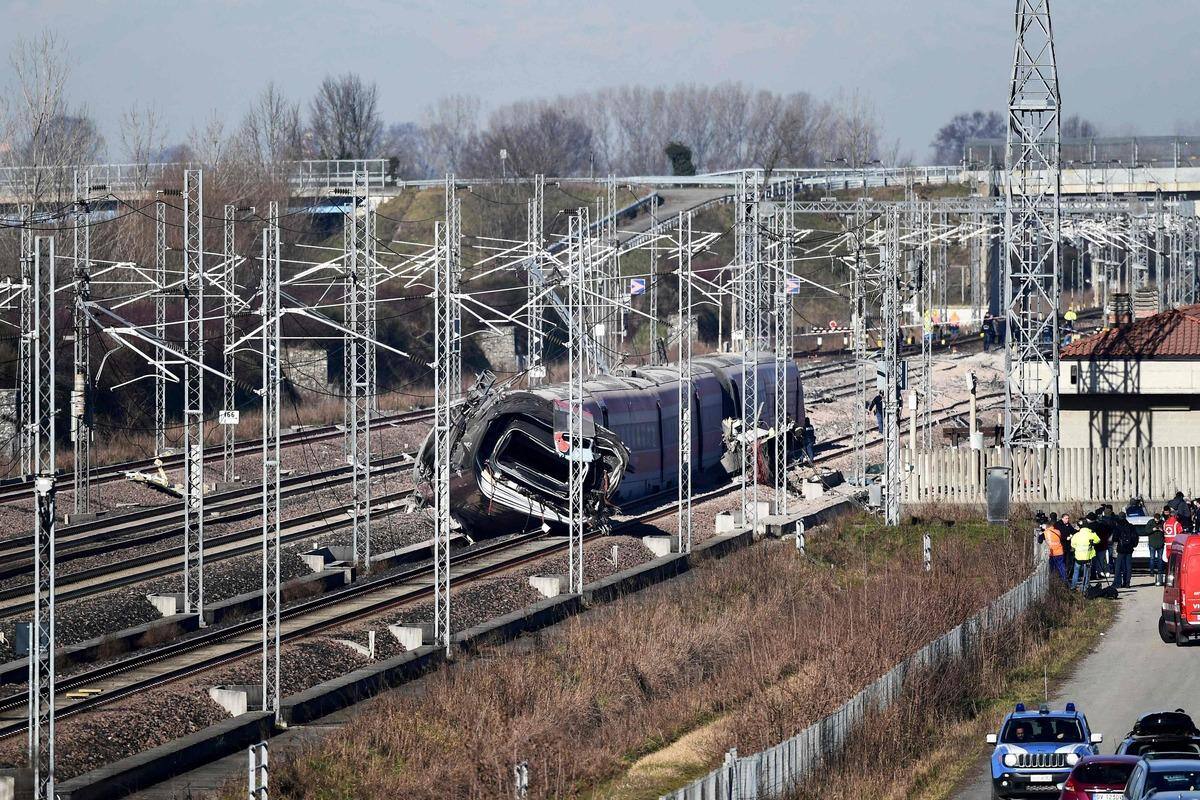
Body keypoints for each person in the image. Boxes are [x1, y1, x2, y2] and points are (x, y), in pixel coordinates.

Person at [1070, 516, 1101, 593]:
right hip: (1088, 556)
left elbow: (1073, 545)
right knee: (1087, 573)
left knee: (1076, 572)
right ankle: (1085, 587)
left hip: (1078, 557)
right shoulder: (1091, 533)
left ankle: (1073, 586)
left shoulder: (1077, 535)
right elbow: (1098, 540)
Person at [1112, 512, 1138, 589]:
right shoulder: (1131, 526)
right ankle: (1127, 583)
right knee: (1128, 566)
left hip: (1121, 549)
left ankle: (1117, 583)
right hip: (1129, 549)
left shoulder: (1118, 527)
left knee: (1118, 566)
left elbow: (1114, 539)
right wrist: (1133, 545)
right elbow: (1135, 537)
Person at [1041, 515, 1068, 582]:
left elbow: (1039, 540)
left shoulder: (1045, 533)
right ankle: (1064, 579)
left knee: (1052, 568)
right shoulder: (1058, 531)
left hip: (1052, 552)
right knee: (1061, 567)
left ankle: (1053, 581)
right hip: (1059, 551)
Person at [1146, 514, 1166, 586]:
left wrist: (1162, 530)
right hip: (1152, 544)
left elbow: (1166, 531)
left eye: (1158, 519)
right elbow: (1146, 531)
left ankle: (1160, 572)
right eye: (1156, 519)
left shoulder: (1163, 522)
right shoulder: (1150, 522)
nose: (1157, 521)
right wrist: (1152, 529)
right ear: (1154, 518)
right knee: (1152, 558)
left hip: (1160, 544)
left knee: (1160, 559)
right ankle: (1151, 572)